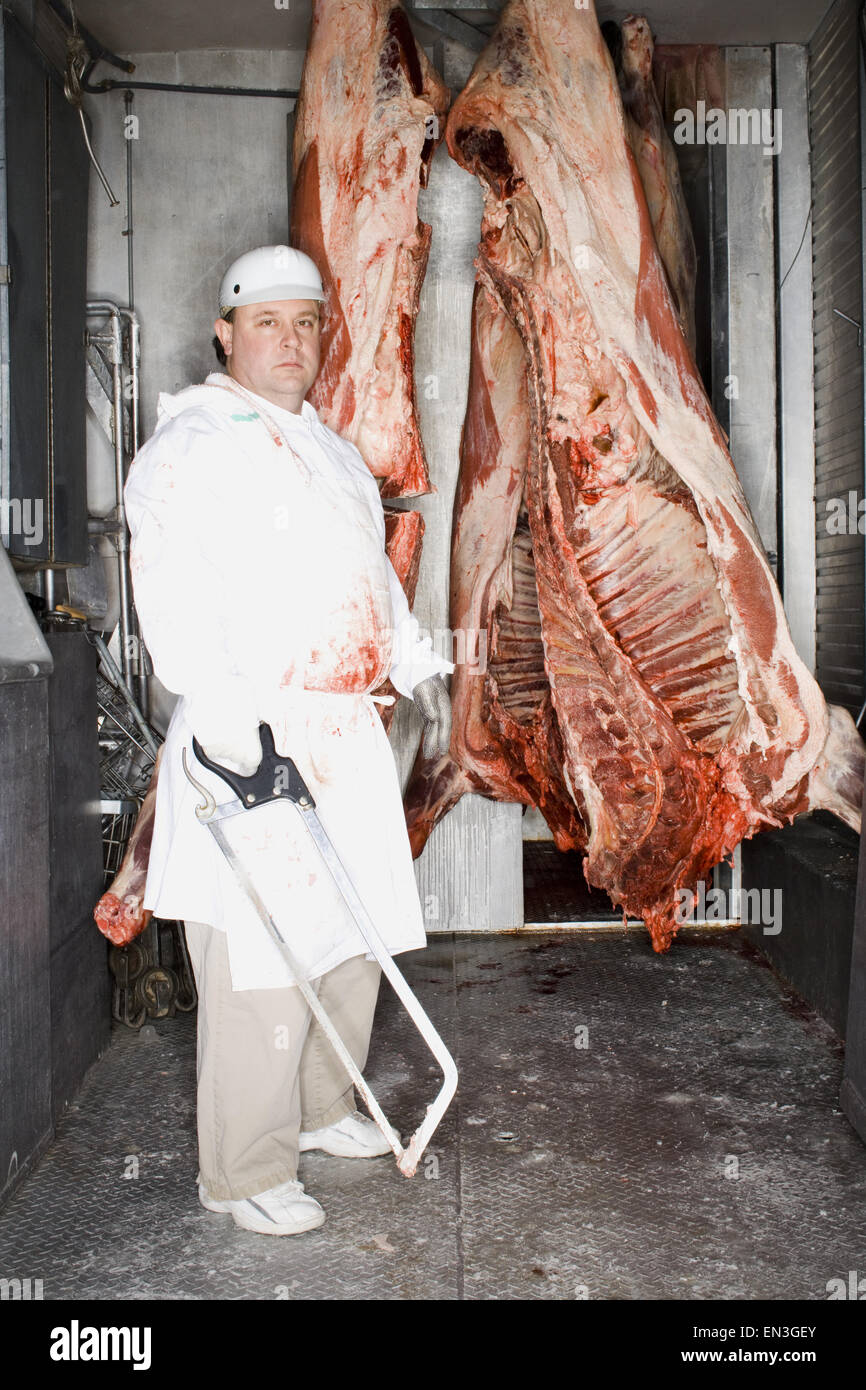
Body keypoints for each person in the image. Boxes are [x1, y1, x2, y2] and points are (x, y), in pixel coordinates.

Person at [124, 244, 453, 1236]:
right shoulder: (190, 446)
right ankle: (243, 1166)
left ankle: (320, 1109)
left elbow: (372, 576)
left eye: (305, 323)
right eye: (266, 322)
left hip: (343, 735)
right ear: (226, 334)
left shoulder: (331, 449)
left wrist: (418, 664)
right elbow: (172, 607)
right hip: (251, 737)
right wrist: (236, 740)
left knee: (350, 939)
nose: (290, 341)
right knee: (258, 959)